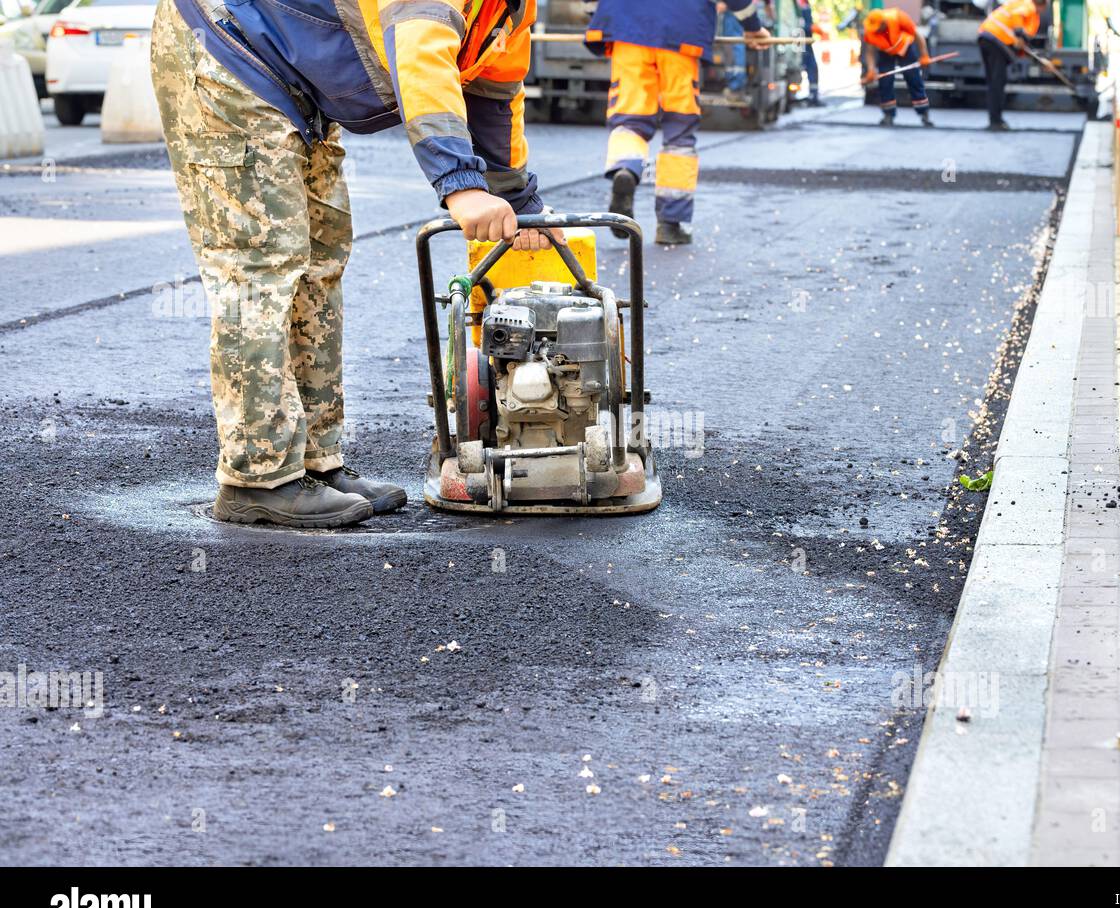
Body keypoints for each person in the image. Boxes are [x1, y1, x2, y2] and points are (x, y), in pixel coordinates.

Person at [151, 0, 558, 528]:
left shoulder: (513, 9)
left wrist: (519, 201)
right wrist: (461, 184)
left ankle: (316, 463)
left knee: (320, 261)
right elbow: (420, 56)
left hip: (291, 76)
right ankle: (257, 477)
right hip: (228, 48)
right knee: (261, 268)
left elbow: (494, 93)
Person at [585, 0, 770, 246]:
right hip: (681, 32)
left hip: (627, 29)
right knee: (679, 130)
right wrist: (753, 27)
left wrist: (599, 16)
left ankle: (626, 169)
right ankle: (670, 224)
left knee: (630, 119)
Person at [977, 0, 1048, 132]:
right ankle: (995, 121)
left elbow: (1021, 46)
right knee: (998, 82)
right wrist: (1019, 33)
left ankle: (995, 119)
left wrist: (1036, 58)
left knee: (994, 82)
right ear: (1043, 5)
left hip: (985, 37)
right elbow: (1017, 18)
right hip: (995, 39)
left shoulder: (1022, 6)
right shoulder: (1028, 6)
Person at [860, 6, 933, 127]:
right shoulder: (871, 29)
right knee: (885, 81)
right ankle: (888, 114)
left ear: (883, 23)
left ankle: (924, 113)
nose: (876, 31)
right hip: (886, 52)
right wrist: (871, 70)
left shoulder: (899, 18)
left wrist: (924, 55)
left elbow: (918, 36)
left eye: (878, 28)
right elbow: (870, 51)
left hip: (905, 49)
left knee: (914, 79)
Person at [797, 0, 826, 107]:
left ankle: (813, 96)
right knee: (809, 67)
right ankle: (812, 96)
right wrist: (811, 27)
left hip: (805, 43)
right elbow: (798, 25)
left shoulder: (804, 4)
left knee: (812, 68)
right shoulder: (799, 5)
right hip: (799, 42)